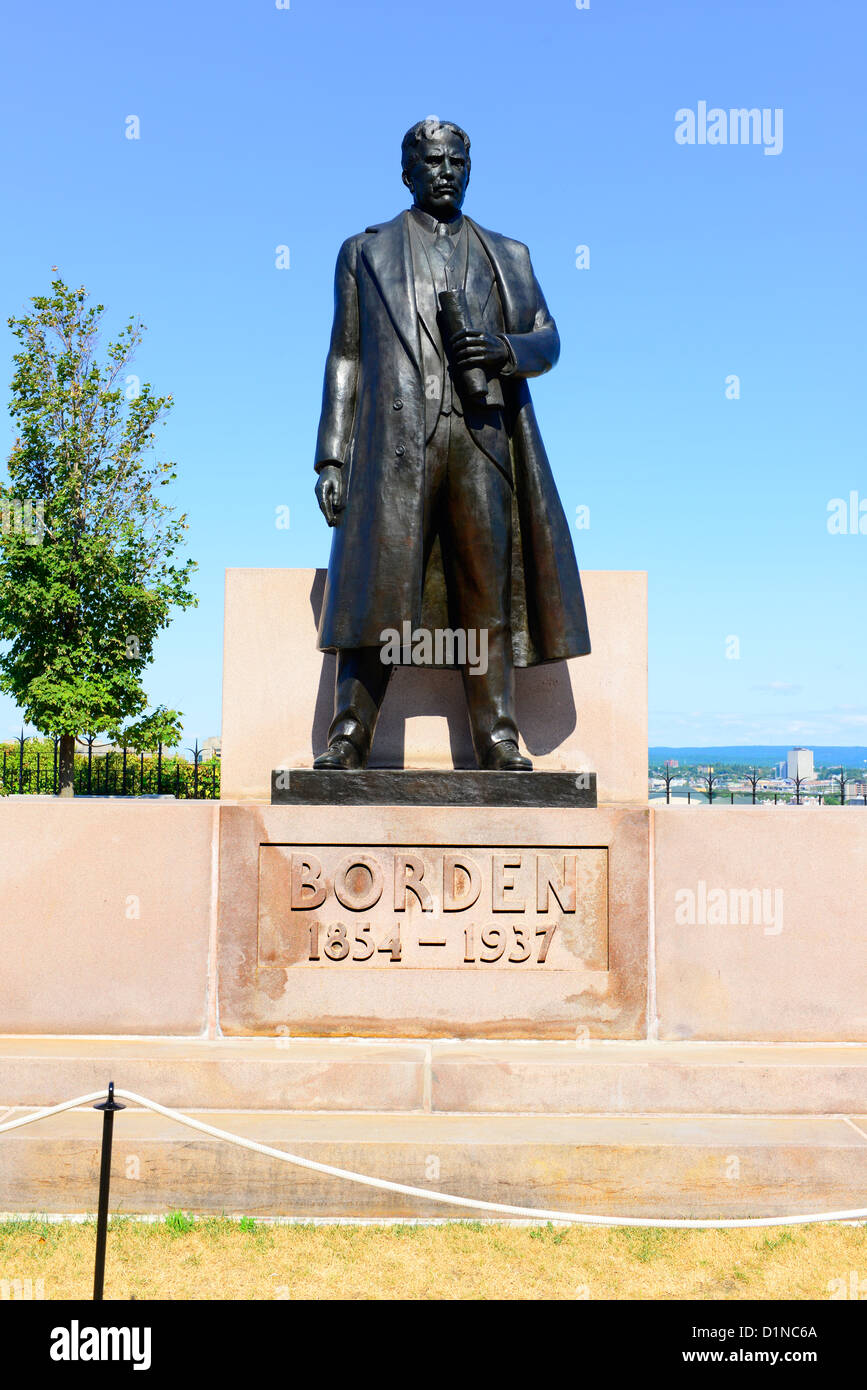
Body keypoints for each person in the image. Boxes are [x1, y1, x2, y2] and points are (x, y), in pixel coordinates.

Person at [313, 118, 590, 771]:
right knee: (376, 589)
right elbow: (344, 357)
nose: (446, 172)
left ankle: (496, 734)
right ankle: (350, 731)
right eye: (432, 161)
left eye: (456, 162)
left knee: (483, 589)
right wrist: (331, 455)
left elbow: (547, 341)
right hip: (393, 446)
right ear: (407, 172)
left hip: (480, 438)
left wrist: (503, 348)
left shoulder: (507, 255)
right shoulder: (363, 251)